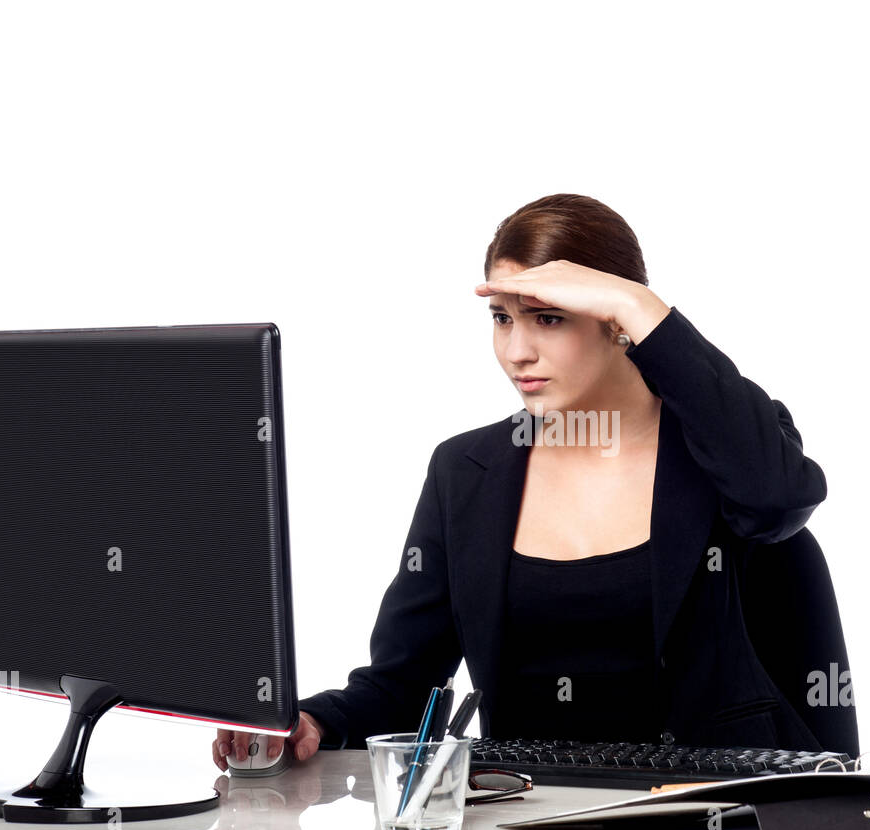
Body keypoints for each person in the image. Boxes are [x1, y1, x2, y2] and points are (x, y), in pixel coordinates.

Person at [213, 193, 832, 771]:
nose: (517, 352)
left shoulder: (727, 447)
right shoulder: (466, 471)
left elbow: (779, 497)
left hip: (718, 819)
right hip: (523, 823)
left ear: (618, 322)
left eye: (548, 319)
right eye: (502, 319)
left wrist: (646, 309)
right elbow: (404, 684)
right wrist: (314, 720)